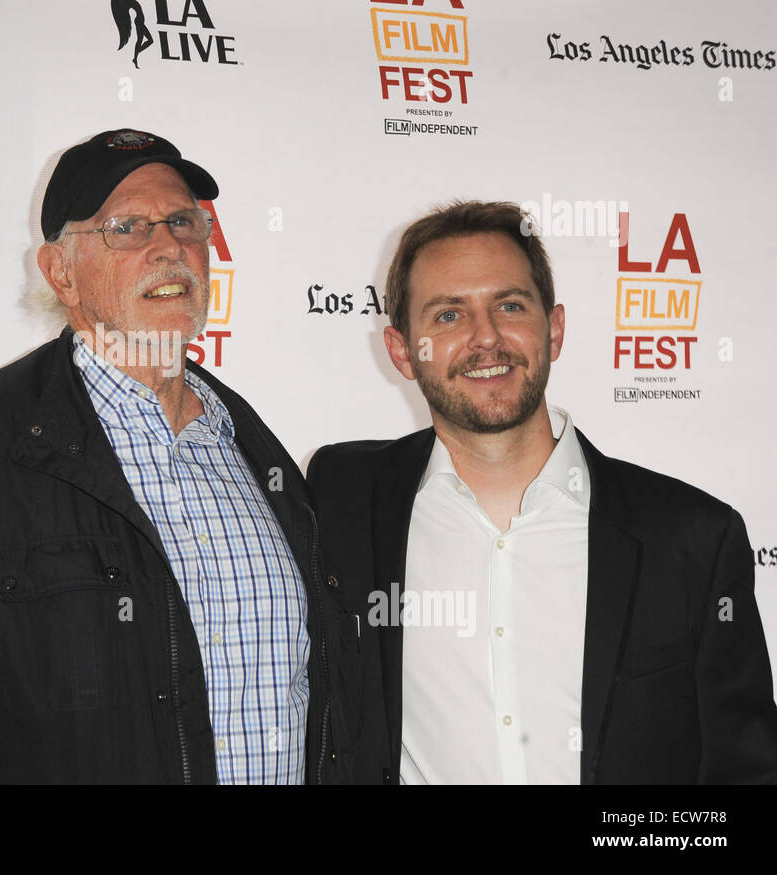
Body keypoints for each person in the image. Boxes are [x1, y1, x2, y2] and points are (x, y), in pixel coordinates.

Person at [0, 129, 357, 784]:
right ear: (61, 272)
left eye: (182, 221)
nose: (169, 246)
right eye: (127, 227)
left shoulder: (257, 451)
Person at [308, 200, 777, 784]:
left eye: (509, 305)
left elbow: (744, 772)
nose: (487, 338)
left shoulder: (691, 538)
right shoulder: (343, 497)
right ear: (403, 351)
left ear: (553, 330)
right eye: (449, 315)